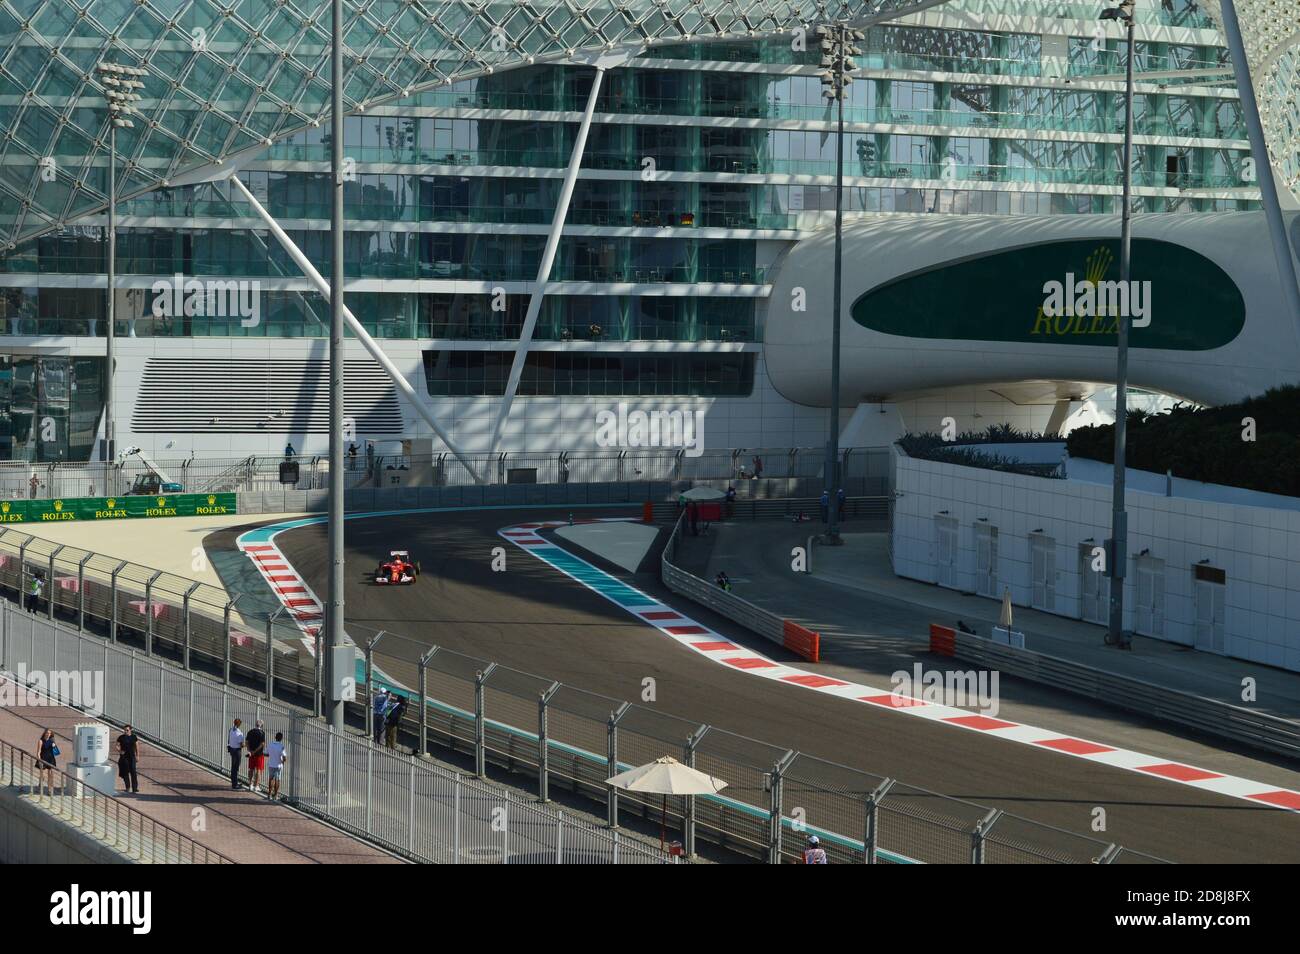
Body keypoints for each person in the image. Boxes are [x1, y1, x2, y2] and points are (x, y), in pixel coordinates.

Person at [117, 724, 140, 794]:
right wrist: (120, 751)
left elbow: (137, 747)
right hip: (124, 757)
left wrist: (137, 755)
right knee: (125, 772)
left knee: (133, 772)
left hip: (132, 757)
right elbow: (116, 745)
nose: (125, 731)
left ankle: (135, 788)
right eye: (124, 730)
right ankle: (127, 787)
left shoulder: (134, 737)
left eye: (127, 730)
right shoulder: (121, 737)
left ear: (130, 730)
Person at [35, 728, 58, 795]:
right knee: (43, 775)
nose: (48, 734)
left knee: (50, 775)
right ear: (45, 733)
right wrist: (39, 760)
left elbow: (56, 752)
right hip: (43, 759)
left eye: (50, 733)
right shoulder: (41, 741)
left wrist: (54, 746)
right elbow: (38, 752)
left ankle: (49, 790)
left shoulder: (52, 741)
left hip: (51, 759)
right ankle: (40, 785)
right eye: (47, 733)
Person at [246, 720, 267, 793]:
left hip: (251, 754)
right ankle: (256, 786)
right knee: (258, 770)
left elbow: (247, 742)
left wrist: (250, 751)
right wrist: (255, 751)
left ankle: (250, 784)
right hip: (259, 754)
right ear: (261, 726)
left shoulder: (250, 731)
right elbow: (262, 744)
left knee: (251, 769)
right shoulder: (262, 733)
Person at [266, 732, 287, 800]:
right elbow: (284, 757)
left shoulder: (270, 744)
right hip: (278, 765)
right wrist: (282, 762)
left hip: (271, 764)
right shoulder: (281, 746)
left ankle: (269, 794)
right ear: (281, 738)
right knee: (277, 780)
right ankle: (275, 795)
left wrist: (272, 756)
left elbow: (266, 754)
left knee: (271, 779)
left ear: (275, 737)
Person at [227, 718, 245, 790]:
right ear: (239, 724)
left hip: (232, 749)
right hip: (237, 751)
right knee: (235, 767)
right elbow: (241, 745)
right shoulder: (239, 733)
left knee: (233, 767)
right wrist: (246, 745)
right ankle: (234, 785)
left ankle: (234, 782)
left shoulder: (231, 730)